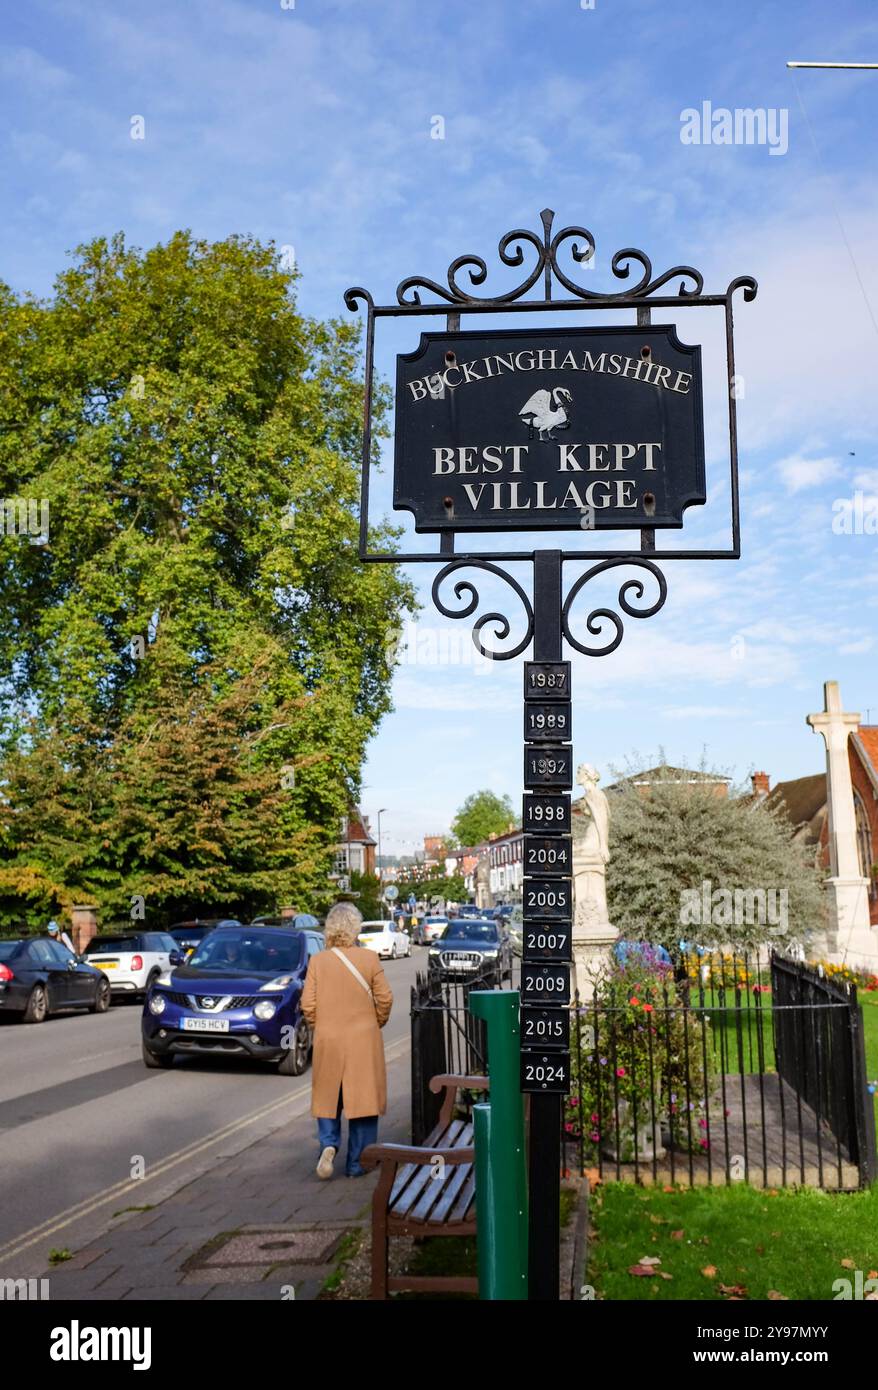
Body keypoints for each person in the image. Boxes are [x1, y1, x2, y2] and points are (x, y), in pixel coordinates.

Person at [300, 901, 393, 1180]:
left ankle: (328, 1144)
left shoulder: (318, 961)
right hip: (363, 1042)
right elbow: (385, 999)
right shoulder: (369, 959)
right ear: (355, 929)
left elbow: (307, 1005)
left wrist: (323, 1026)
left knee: (329, 1096)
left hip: (329, 1040)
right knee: (363, 1102)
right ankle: (358, 1164)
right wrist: (374, 1022)